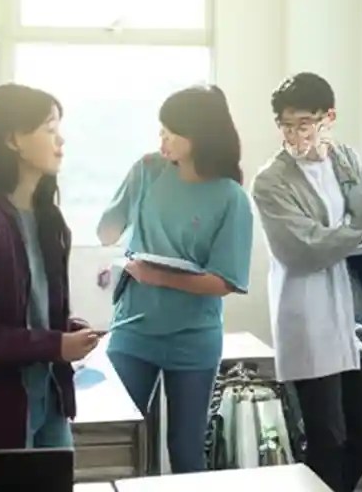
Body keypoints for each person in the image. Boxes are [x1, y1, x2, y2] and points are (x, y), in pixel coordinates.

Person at [98, 85, 253, 474]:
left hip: (193, 338)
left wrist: (158, 277)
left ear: (198, 136)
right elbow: (107, 233)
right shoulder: (148, 171)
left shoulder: (231, 197)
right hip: (134, 330)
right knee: (121, 445)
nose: (162, 140)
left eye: (171, 132)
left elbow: (225, 281)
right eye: (160, 130)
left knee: (185, 451)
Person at [252, 73, 362, 492]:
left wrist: (337, 236)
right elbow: (300, 251)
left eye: (304, 123)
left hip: (356, 317)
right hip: (309, 320)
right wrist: (354, 230)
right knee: (325, 440)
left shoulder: (347, 160)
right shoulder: (270, 181)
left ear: (328, 117)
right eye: (285, 125)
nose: (294, 135)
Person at [0, 83, 101, 449]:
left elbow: (30, 310)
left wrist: (64, 331)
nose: (60, 141)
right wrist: (54, 343)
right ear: (13, 139)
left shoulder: (48, 217)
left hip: (50, 399)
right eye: (49, 129)